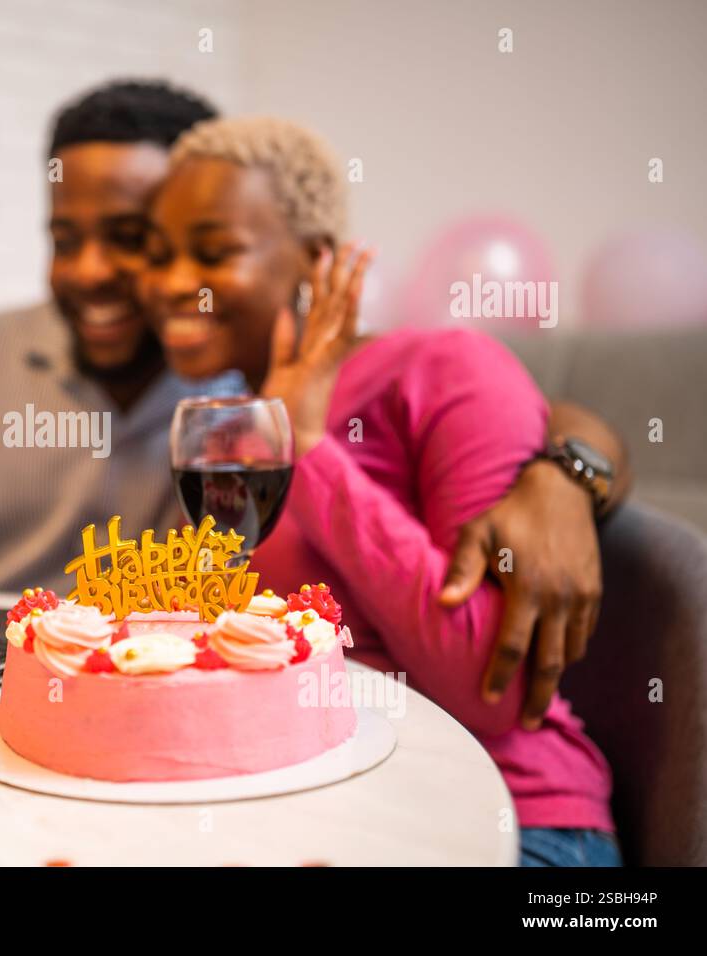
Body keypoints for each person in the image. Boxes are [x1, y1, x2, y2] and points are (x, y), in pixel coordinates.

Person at [0, 79, 628, 734]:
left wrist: (572, 471)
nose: (93, 271)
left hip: (133, 719)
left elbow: (514, 410)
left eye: (132, 239)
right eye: (64, 237)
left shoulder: (244, 399)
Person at [138, 115, 623, 866]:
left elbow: (484, 689)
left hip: (509, 818)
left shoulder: (450, 369)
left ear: (315, 259)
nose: (171, 283)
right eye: (159, 254)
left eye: (213, 251)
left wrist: (315, 447)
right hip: (324, 808)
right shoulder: (229, 433)